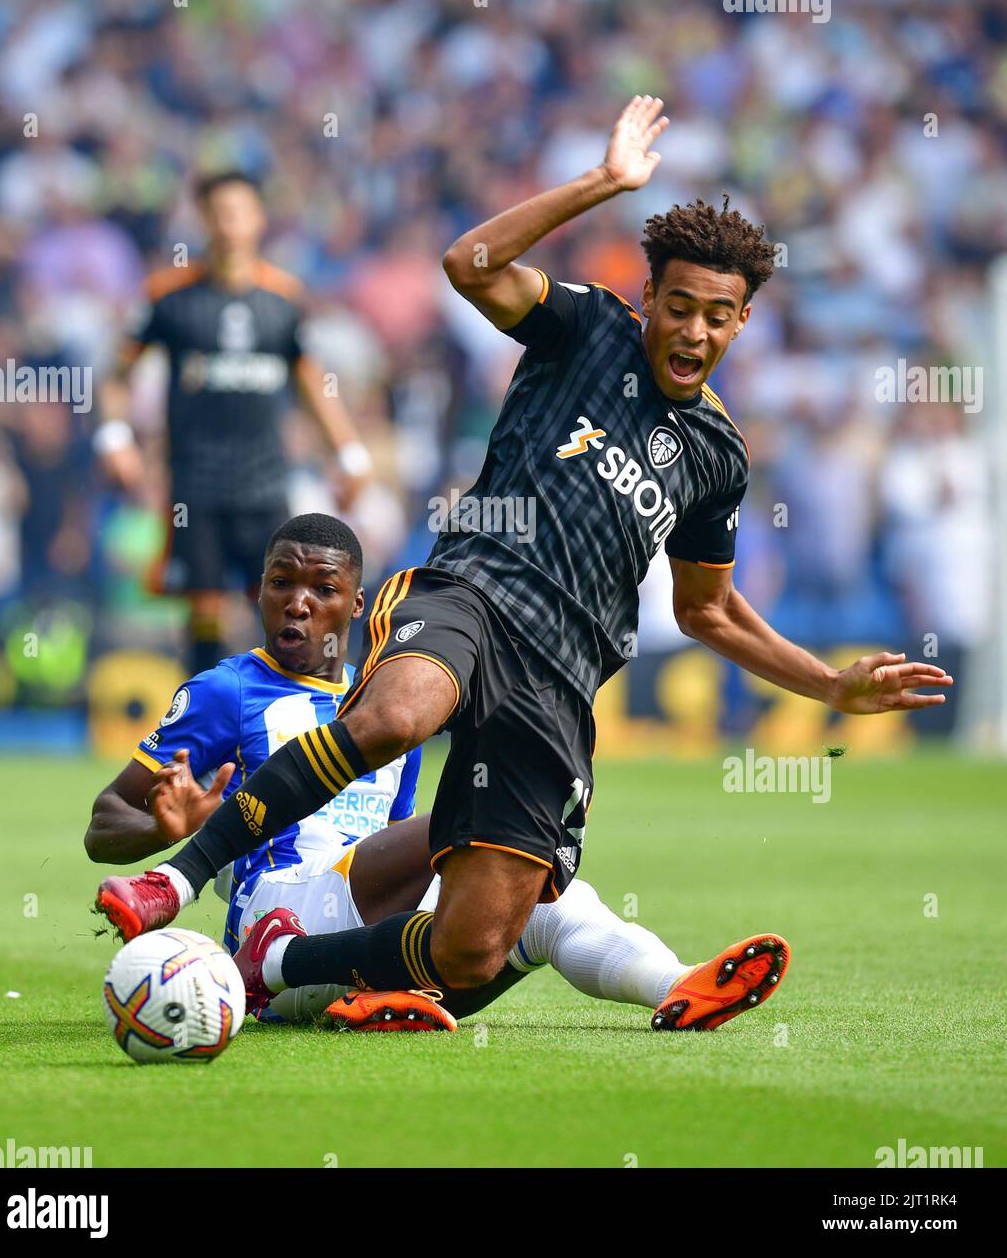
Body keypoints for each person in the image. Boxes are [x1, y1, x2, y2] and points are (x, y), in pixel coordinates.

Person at [95, 97, 951, 1033]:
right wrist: (605, 182)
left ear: (744, 323)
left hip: (561, 678)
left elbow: (711, 611)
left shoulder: (719, 455)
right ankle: (176, 880)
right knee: (399, 715)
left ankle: (287, 963)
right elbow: (470, 264)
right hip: (472, 592)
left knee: (476, 944)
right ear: (649, 297)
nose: (694, 333)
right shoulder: (587, 329)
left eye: (718, 316)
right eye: (678, 307)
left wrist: (829, 686)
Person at [88, 510, 730, 1033]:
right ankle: (309, 966)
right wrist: (160, 827)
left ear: (358, 604)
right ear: (258, 590)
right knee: (479, 834)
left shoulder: (395, 700)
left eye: (324, 589)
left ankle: (678, 987)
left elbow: (393, 854)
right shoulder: (226, 691)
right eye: (281, 583)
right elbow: (103, 824)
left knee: (544, 906)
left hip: (346, 946)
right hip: (275, 915)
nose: (299, 604)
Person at [94, 171, 372, 674]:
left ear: (259, 219)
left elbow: (311, 382)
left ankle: (288, 731)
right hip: (195, 482)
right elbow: (116, 376)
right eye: (219, 213)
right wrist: (115, 438)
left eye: (240, 211)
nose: (230, 224)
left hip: (265, 481)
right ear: (203, 219)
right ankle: (196, 737)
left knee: (284, 603)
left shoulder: (284, 298)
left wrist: (349, 453)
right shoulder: (169, 296)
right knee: (203, 610)